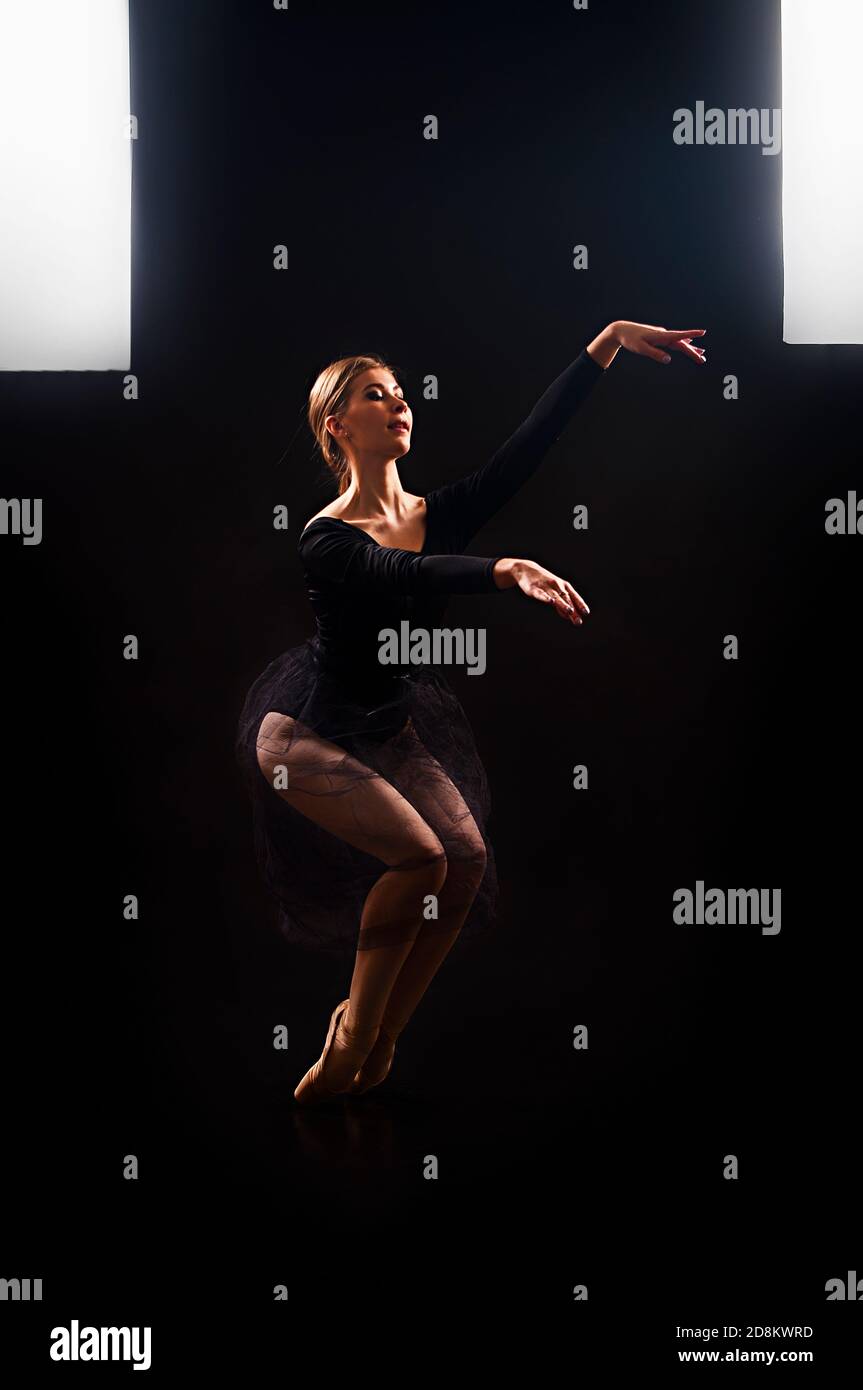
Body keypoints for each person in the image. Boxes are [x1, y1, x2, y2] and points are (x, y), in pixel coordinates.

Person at [234, 319, 706, 1104]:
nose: (397, 403)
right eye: (373, 396)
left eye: (400, 393)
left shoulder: (438, 510)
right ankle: (352, 1030)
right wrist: (503, 568)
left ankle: (381, 1035)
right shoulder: (325, 538)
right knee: (420, 859)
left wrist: (608, 343)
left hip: (387, 728)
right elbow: (392, 571)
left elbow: (528, 446)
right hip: (307, 737)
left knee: (466, 863)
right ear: (336, 426)